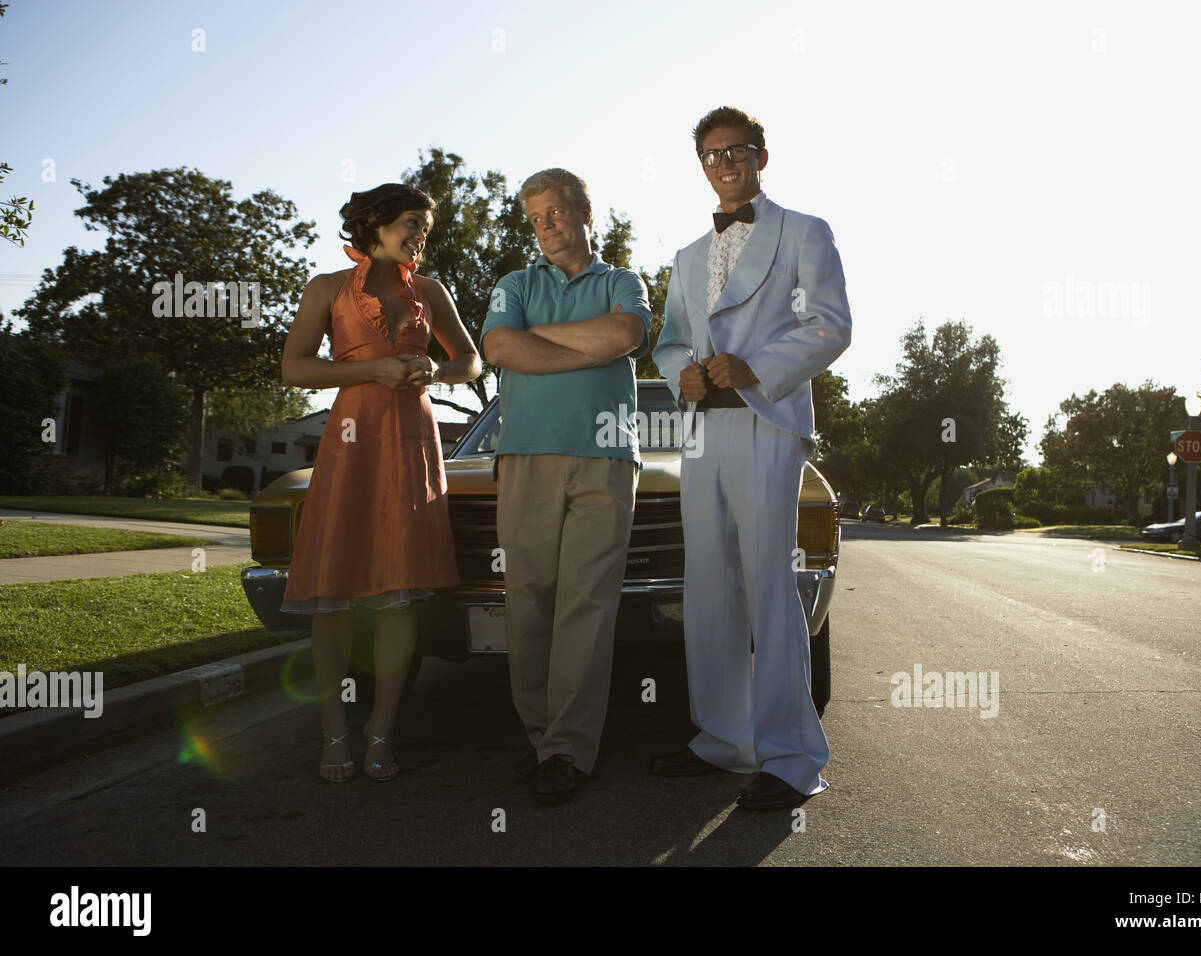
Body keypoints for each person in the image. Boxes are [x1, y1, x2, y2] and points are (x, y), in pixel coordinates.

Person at [650, 107, 852, 810]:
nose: (725, 162)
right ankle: (723, 740)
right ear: (702, 164)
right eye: (711, 154)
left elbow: (830, 326)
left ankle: (792, 758)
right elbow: (670, 340)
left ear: (762, 156)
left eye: (737, 150)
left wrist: (754, 366)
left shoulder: (805, 232)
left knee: (770, 587)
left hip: (768, 421)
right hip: (702, 431)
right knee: (708, 589)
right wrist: (684, 371)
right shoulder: (684, 258)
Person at [280, 183, 482, 782]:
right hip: (351, 441)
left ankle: (381, 732)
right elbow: (295, 366)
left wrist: (432, 368)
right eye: (411, 223)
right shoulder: (326, 289)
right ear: (376, 224)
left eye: (425, 225)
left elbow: (471, 360)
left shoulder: (431, 290)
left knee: (399, 594)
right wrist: (373, 368)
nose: (421, 234)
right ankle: (333, 732)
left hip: (413, 442)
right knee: (333, 593)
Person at [481, 168, 652, 804]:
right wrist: (590, 348)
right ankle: (539, 736)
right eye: (535, 218)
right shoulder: (515, 284)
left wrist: (544, 337)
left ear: (584, 212)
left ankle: (566, 752)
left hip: (607, 457)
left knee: (588, 602)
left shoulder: (621, 281)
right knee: (529, 597)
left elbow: (624, 335)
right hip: (526, 456)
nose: (546, 226)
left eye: (555, 212)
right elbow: (500, 348)